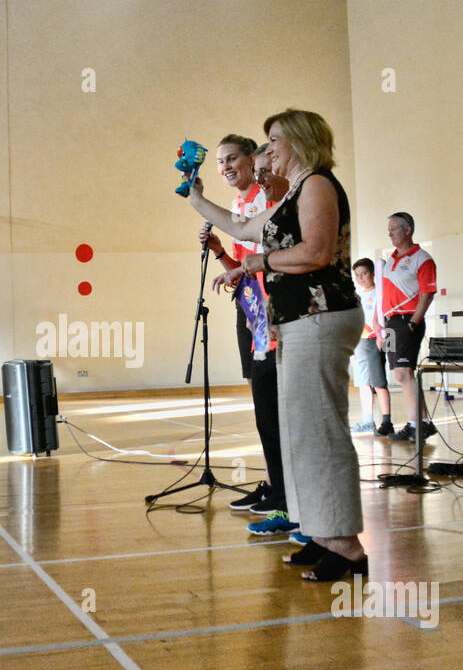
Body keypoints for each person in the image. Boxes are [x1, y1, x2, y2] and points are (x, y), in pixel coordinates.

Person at [187, 108, 367, 582]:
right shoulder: (293, 194)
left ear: (301, 141)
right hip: (297, 323)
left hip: (322, 316)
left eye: (274, 141)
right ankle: (321, 533)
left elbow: (317, 252)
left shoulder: (318, 185)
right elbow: (242, 227)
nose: (267, 151)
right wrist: (197, 198)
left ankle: (346, 547)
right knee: (301, 434)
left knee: (323, 434)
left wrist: (255, 264)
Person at [199, 135, 285, 518]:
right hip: (249, 304)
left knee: (274, 401)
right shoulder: (236, 204)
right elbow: (238, 273)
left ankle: (285, 490)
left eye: (232, 158)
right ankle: (273, 482)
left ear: (252, 160)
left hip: (272, 307)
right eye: (219, 162)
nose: (225, 167)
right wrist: (219, 250)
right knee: (259, 395)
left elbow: (267, 257)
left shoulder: (265, 198)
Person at [373, 212, 437, 442]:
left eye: (394, 229)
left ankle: (414, 425)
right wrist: (378, 321)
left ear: (408, 230)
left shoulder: (422, 258)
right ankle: (424, 422)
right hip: (390, 322)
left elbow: (427, 295)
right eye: (388, 229)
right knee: (400, 374)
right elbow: (382, 292)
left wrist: (413, 323)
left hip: (406, 320)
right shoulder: (390, 260)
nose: (389, 233)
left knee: (403, 372)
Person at [349, 258, 392, 434]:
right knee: (362, 383)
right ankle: (368, 420)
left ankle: (386, 422)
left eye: (364, 273)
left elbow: (383, 321)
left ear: (373, 273)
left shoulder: (379, 294)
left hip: (373, 341)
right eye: (357, 275)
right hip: (358, 343)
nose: (361, 278)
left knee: (378, 382)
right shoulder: (357, 297)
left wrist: (380, 338)